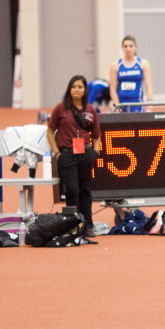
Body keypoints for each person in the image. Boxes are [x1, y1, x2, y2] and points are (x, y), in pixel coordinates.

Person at [48, 75, 102, 237]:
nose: (76, 90)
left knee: (85, 190)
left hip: (85, 153)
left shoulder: (90, 110)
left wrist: (94, 152)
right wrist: (57, 153)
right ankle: (73, 225)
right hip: (66, 154)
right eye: (74, 87)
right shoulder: (60, 108)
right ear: (69, 89)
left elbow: (97, 135)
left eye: (80, 87)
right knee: (72, 190)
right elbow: (50, 132)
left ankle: (88, 225)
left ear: (85, 90)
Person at [110, 36, 154, 112]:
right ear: (122, 47)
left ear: (135, 47)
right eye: (125, 46)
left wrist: (149, 105)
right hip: (121, 104)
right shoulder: (115, 65)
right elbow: (112, 89)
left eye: (131, 46)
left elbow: (149, 86)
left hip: (137, 103)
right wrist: (116, 106)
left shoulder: (143, 64)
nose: (128, 49)